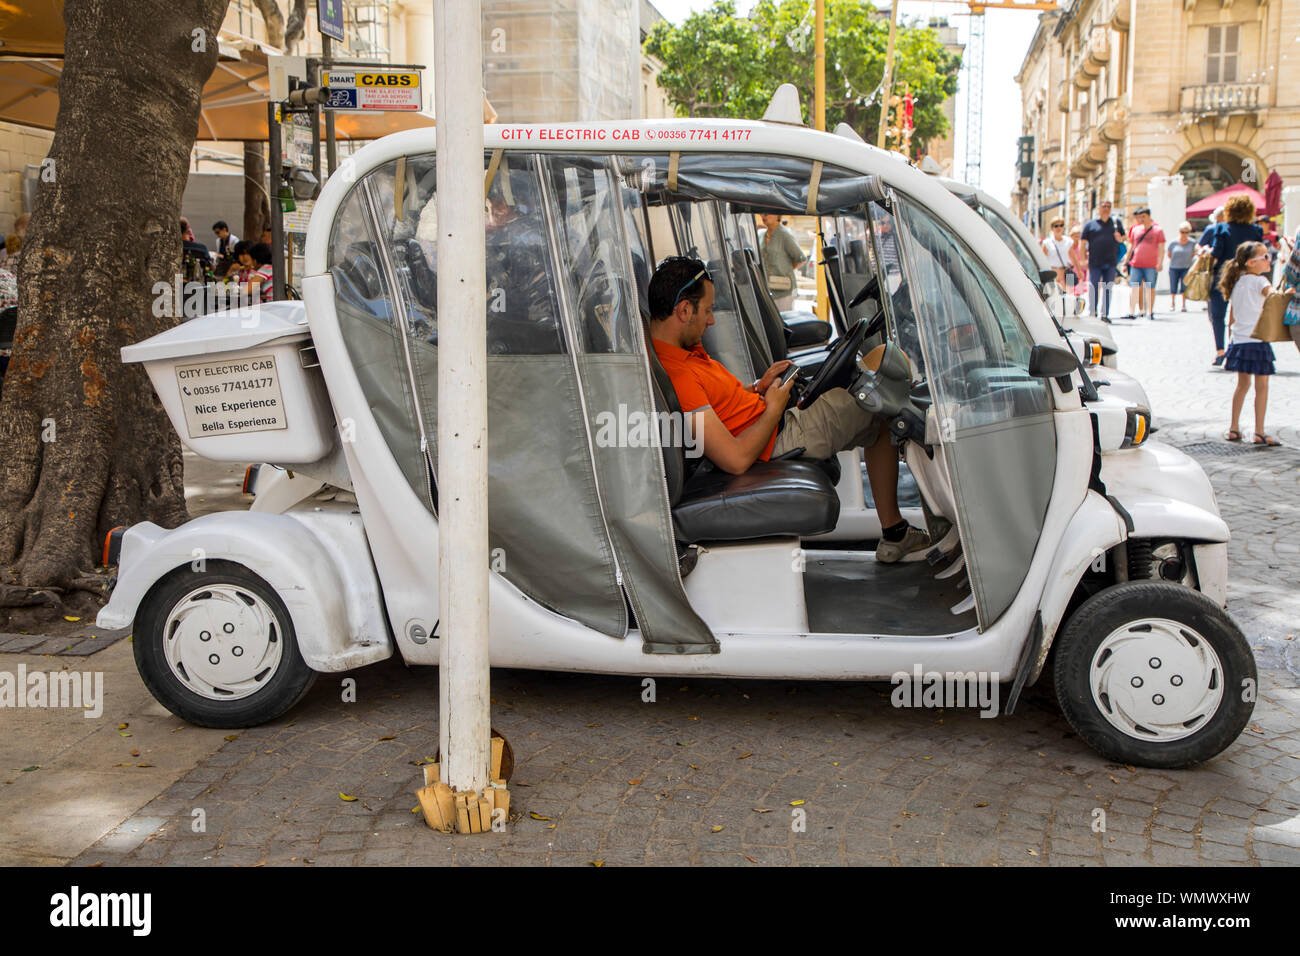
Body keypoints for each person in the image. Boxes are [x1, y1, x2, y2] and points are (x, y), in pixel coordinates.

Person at [647, 258, 939, 562]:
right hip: (780, 437)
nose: (711, 321)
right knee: (888, 362)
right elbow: (735, 459)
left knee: (880, 415)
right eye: (707, 311)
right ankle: (918, 522)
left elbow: (719, 402)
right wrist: (772, 409)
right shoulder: (678, 374)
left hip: (775, 420)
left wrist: (758, 387)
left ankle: (895, 534)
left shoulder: (683, 351)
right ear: (683, 310)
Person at [1219, 242, 1278, 445]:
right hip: (1257, 340)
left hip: (1239, 341)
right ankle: (1259, 431)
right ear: (1252, 263)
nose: (1269, 259)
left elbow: (1232, 317)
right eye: (1265, 257)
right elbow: (1273, 297)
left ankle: (1234, 427)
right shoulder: (1260, 281)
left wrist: (1230, 342)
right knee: (1261, 386)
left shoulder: (1237, 282)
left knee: (1242, 385)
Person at [1200, 194, 1263, 368]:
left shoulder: (1221, 229)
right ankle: (1236, 349)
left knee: (1218, 315)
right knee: (1241, 316)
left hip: (1223, 277)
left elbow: (1217, 253)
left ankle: (1220, 350)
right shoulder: (1256, 231)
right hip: (1246, 278)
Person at [1079, 199, 1125, 321]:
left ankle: (1105, 314)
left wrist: (1119, 238)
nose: (1106, 208)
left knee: (1108, 288)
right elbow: (1082, 243)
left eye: (1108, 206)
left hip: (1111, 262)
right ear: (1098, 208)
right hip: (1094, 262)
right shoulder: (1090, 225)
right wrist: (1082, 260)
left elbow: (1124, 239)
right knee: (1093, 287)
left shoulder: (1116, 223)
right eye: (1103, 206)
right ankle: (1093, 312)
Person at [757, 213, 806, 311]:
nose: (764, 216)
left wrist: (785, 270)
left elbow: (801, 258)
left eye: (768, 213)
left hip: (784, 290)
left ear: (777, 215)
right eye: (762, 214)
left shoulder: (785, 234)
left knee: (784, 321)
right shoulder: (760, 234)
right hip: (767, 288)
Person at [1123, 207, 1165, 320]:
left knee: (1150, 288)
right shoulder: (1136, 230)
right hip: (1136, 263)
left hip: (1151, 265)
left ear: (1149, 216)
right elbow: (1131, 246)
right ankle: (1132, 312)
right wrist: (1126, 261)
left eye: (1143, 216)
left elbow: (1161, 248)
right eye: (1140, 217)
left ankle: (1150, 312)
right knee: (1134, 288)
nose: (1141, 219)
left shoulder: (1158, 230)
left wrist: (1160, 262)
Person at [1166, 221, 1197, 312]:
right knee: (1173, 286)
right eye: (1182, 232)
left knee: (1184, 287)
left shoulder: (1192, 242)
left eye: (1186, 232)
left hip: (1186, 268)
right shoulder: (1173, 243)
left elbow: (1193, 254)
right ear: (1179, 231)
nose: (1184, 234)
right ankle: (1172, 303)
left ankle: (1183, 305)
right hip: (1174, 267)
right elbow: (1169, 254)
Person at [1041, 218, 1072, 290]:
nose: (1059, 228)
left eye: (1061, 225)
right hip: (1051, 275)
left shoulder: (1068, 241)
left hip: (1064, 275)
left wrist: (1079, 271)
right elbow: (1042, 259)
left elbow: (1073, 257)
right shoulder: (1047, 243)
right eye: (1056, 226)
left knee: (1066, 297)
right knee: (1052, 297)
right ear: (1052, 228)